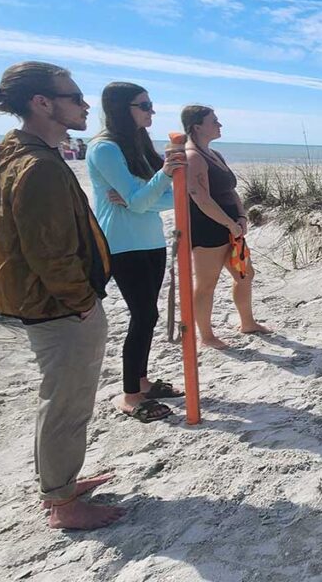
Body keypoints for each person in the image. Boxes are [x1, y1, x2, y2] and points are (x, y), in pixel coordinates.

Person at [0, 61, 123, 530]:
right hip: (58, 308)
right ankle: (62, 504)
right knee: (67, 402)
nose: (84, 104)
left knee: (61, 397)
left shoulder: (28, 157)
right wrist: (80, 301)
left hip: (49, 305)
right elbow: (49, 253)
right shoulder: (37, 166)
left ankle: (60, 485)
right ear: (42, 103)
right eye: (74, 97)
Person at [87, 82, 187, 423]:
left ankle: (142, 381)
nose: (151, 111)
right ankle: (130, 395)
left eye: (151, 104)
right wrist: (160, 178)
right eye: (144, 105)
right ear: (120, 108)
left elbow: (163, 200)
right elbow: (145, 198)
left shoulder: (138, 144)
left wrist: (142, 196)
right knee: (143, 315)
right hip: (121, 243)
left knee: (149, 315)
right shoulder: (104, 148)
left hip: (150, 240)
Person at [181, 105, 270, 348]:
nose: (219, 125)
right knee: (207, 283)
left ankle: (247, 322)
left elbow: (230, 190)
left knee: (244, 274)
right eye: (214, 121)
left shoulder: (214, 154)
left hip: (232, 227)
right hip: (208, 229)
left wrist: (241, 216)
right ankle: (207, 336)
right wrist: (229, 223)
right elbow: (201, 198)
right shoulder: (193, 157)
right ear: (197, 126)